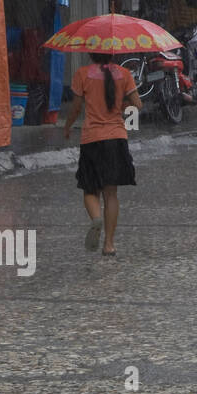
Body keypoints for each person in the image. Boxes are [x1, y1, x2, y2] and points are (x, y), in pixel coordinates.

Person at [63, 53, 142, 256]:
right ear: (113, 54)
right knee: (111, 193)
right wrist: (121, 106)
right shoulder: (124, 74)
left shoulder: (82, 74)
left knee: (90, 190)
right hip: (117, 138)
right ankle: (109, 244)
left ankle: (96, 218)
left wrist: (68, 126)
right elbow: (137, 106)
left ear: (90, 54)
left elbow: (76, 107)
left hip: (92, 139)